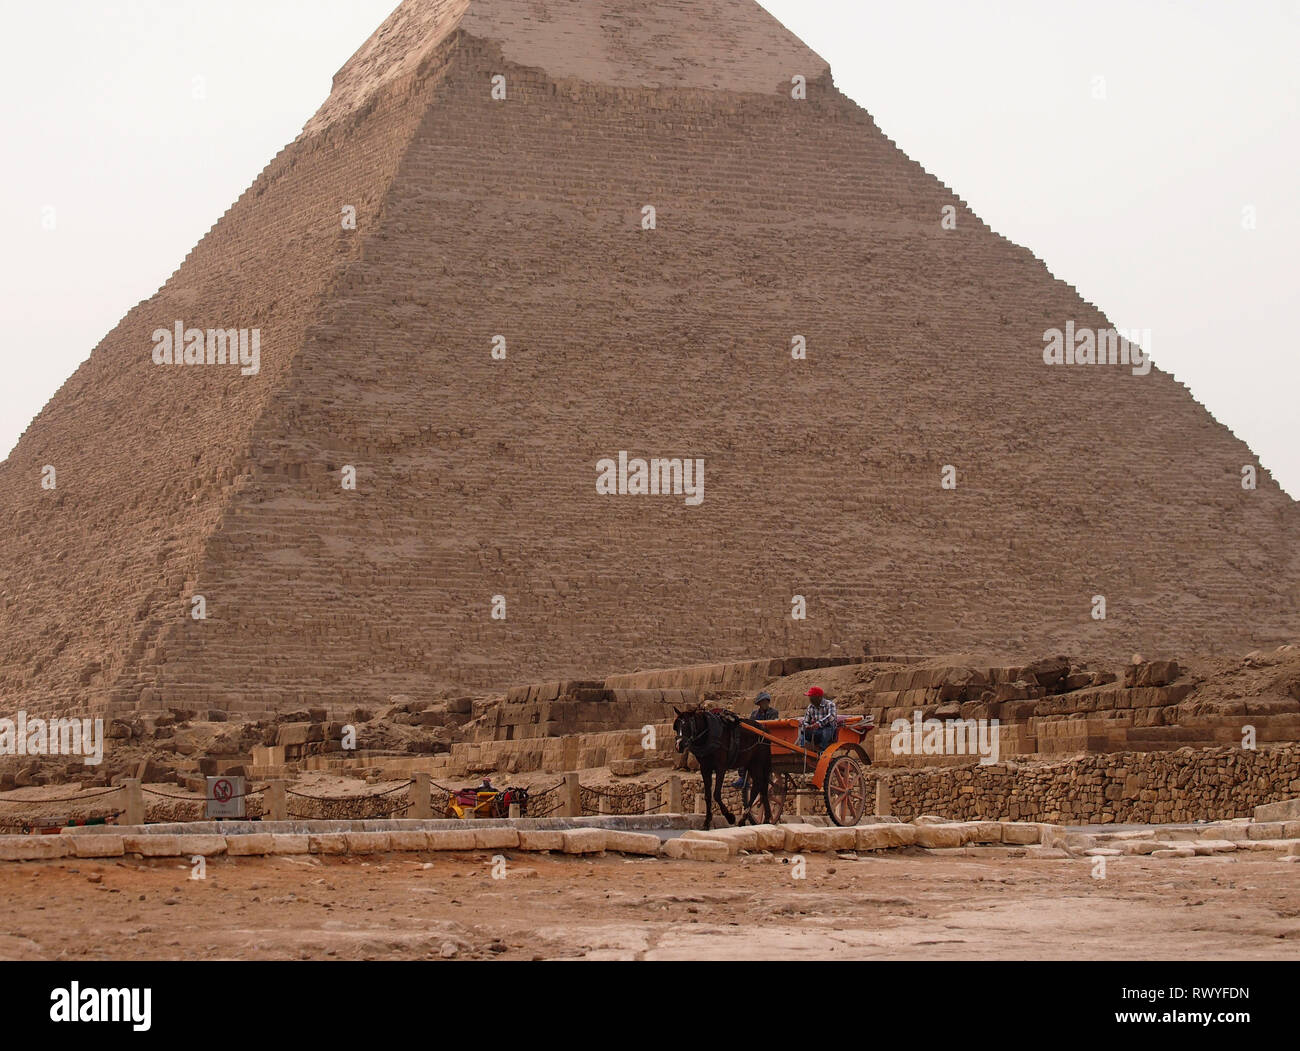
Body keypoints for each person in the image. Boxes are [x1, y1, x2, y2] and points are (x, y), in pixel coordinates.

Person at [732, 692, 780, 789]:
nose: (764, 704)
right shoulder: (754, 714)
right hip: (755, 741)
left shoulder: (773, 712)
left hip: (766, 741)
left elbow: (771, 726)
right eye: (762, 702)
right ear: (759, 704)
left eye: (766, 702)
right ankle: (743, 777)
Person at [797, 686, 837, 752]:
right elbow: (806, 720)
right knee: (802, 731)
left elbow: (831, 716)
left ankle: (823, 750)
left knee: (826, 731)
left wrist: (818, 724)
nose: (810, 699)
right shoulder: (810, 707)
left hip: (828, 728)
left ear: (818, 697)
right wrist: (806, 726)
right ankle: (802, 748)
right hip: (816, 730)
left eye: (811, 697)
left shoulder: (830, 704)